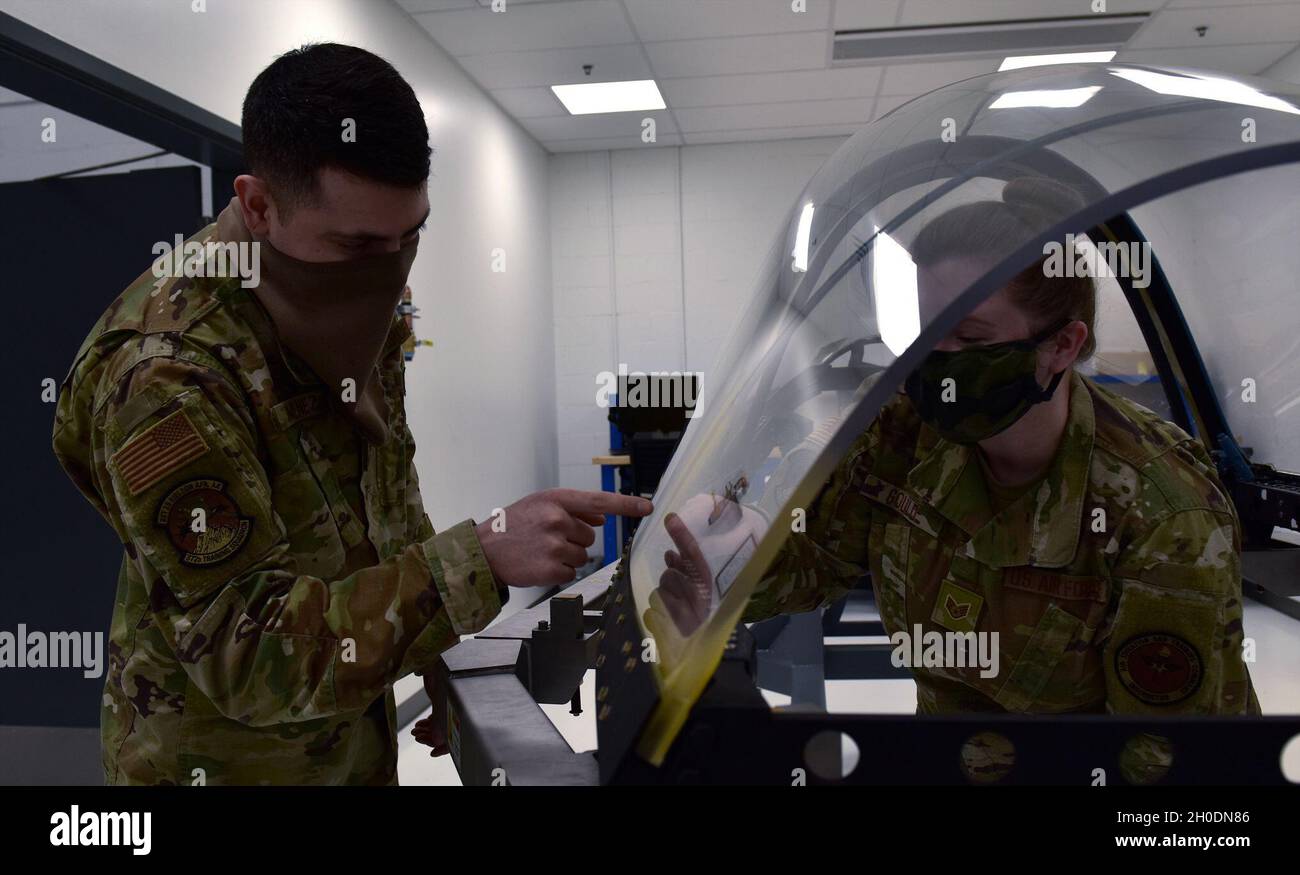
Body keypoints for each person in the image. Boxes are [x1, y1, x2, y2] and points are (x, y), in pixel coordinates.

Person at [51, 43, 650, 785]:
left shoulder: (338, 293)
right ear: (260, 205)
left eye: (411, 235)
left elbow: (385, 501)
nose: (391, 268)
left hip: (350, 741)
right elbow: (246, 652)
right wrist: (481, 558)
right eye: (359, 243)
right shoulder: (169, 372)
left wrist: (431, 653)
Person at [661, 178, 1259, 735]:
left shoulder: (1163, 516)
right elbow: (815, 567)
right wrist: (730, 565)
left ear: (1062, 346)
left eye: (971, 339)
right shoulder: (903, 434)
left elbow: (1174, 765)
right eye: (928, 331)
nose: (939, 364)